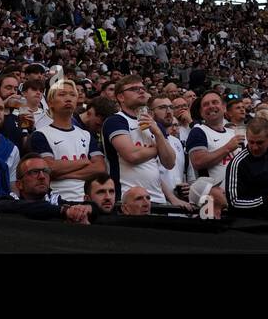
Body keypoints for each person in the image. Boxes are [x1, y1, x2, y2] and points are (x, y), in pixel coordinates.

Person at [102, 76, 182, 210]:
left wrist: (157, 132)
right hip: (127, 198)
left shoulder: (155, 125)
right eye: (134, 89)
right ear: (121, 97)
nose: (141, 91)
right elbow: (132, 156)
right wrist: (158, 149)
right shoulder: (116, 121)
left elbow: (169, 162)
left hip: (157, 198)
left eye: (142, 88)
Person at [27, 80, 105, 202]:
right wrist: (84, 162)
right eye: (62, 94)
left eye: (72, 95)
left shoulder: (86, 135)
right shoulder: (41, 134)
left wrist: (63, 174)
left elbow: (100, 168)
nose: (68, 99)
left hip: (85, 201)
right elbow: (49, 167)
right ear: (50, 102)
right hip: (56, 202)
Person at [185, 91, 242, 217]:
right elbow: (198, 162)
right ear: (201, 112)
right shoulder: (198, 131)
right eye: (205, 104)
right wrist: (227, 148)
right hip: (209, 199)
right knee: (210, 231)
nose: (211, 106)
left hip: (238, 200)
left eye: (215, 102)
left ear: (224, 107)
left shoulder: (233, 133)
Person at [0, 156, 91, 224]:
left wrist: (84, 210)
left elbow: (94, 207)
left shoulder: (57, 201)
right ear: (20, 184)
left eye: (45, 171)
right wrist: (63, 211)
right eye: (34, 172)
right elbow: (0, 207)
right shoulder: (8, 202)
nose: (42, 176)